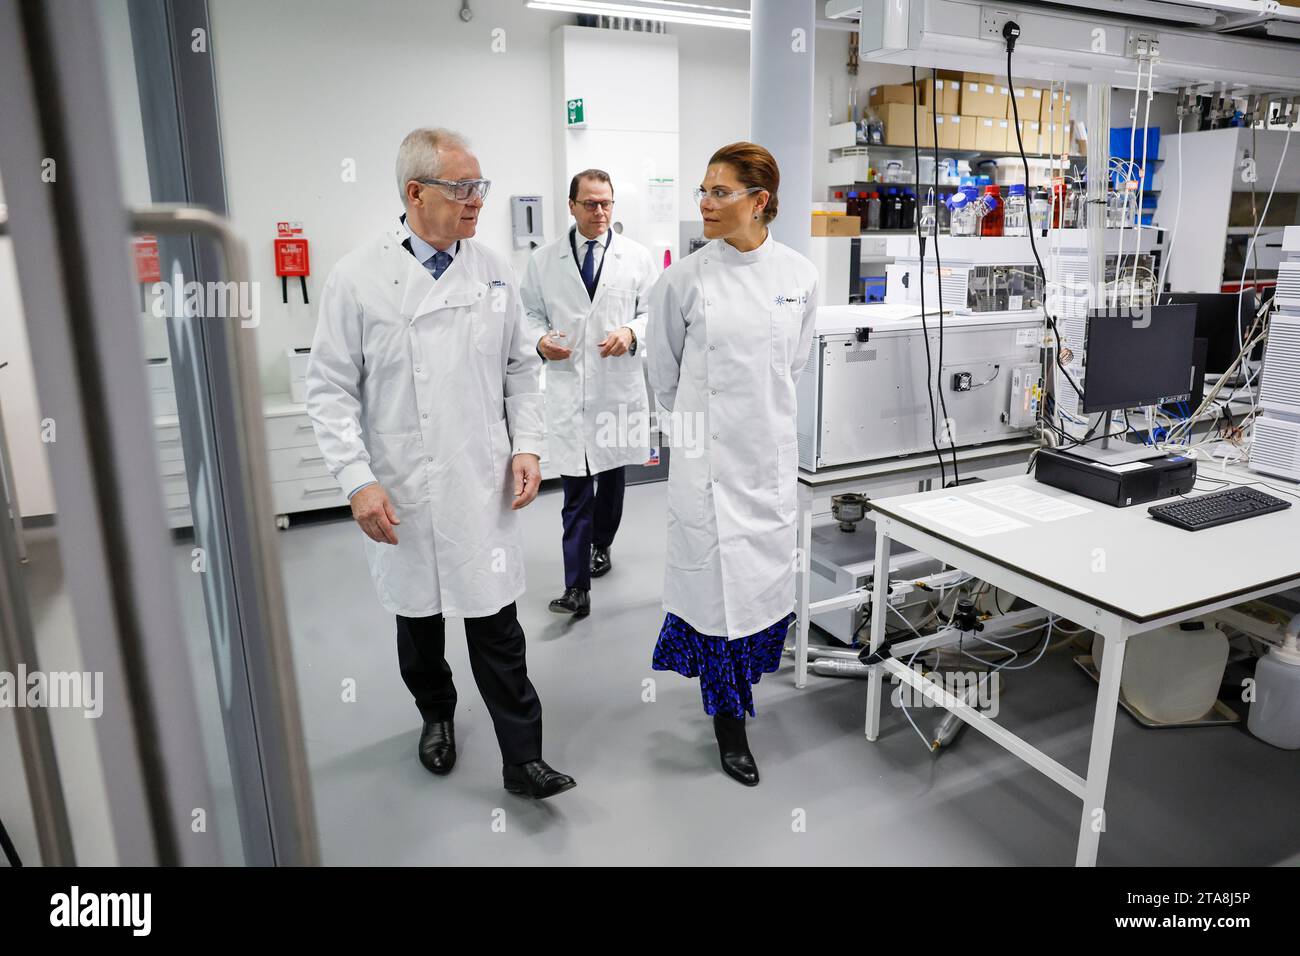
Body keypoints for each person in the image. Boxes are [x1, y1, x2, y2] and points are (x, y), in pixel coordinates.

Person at [305, 127, 575, 800]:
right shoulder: (357, 277)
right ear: (415, 192)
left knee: (498, 627)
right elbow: (330, 388)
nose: (476, 200)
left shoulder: (490, 269)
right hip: (401, 487)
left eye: (480, 186)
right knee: (419, 629)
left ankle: (523, 759)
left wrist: (528, 445)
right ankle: (436, 717)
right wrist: (357, 480)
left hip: (480, 483)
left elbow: (519, 365)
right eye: (461, 188)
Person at [646, 142, 818, 787]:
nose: (706, 204)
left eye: (720, 193)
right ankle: (728, 722)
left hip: (766, 460)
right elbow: (662, 374)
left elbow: (792, 366)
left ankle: (743, 688)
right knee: (716, 595)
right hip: (708, 467)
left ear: (759, 200)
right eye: (703, 191)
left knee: (760, 589)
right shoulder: (684, 279)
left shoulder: (799, 276)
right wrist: (700, 439)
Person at [520, 169, 656, 619]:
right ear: (572, 206)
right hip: (568, 390)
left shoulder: (637, 258)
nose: (600, 212)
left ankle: (603, 544)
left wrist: (631, 332)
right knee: (575, 492)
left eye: (607, 204)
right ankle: (575, 587)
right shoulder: (544, 261)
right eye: (591, 204)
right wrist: (540, 342)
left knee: (613, 484)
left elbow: (652, 312)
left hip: (616, 389)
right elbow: (529, 314)